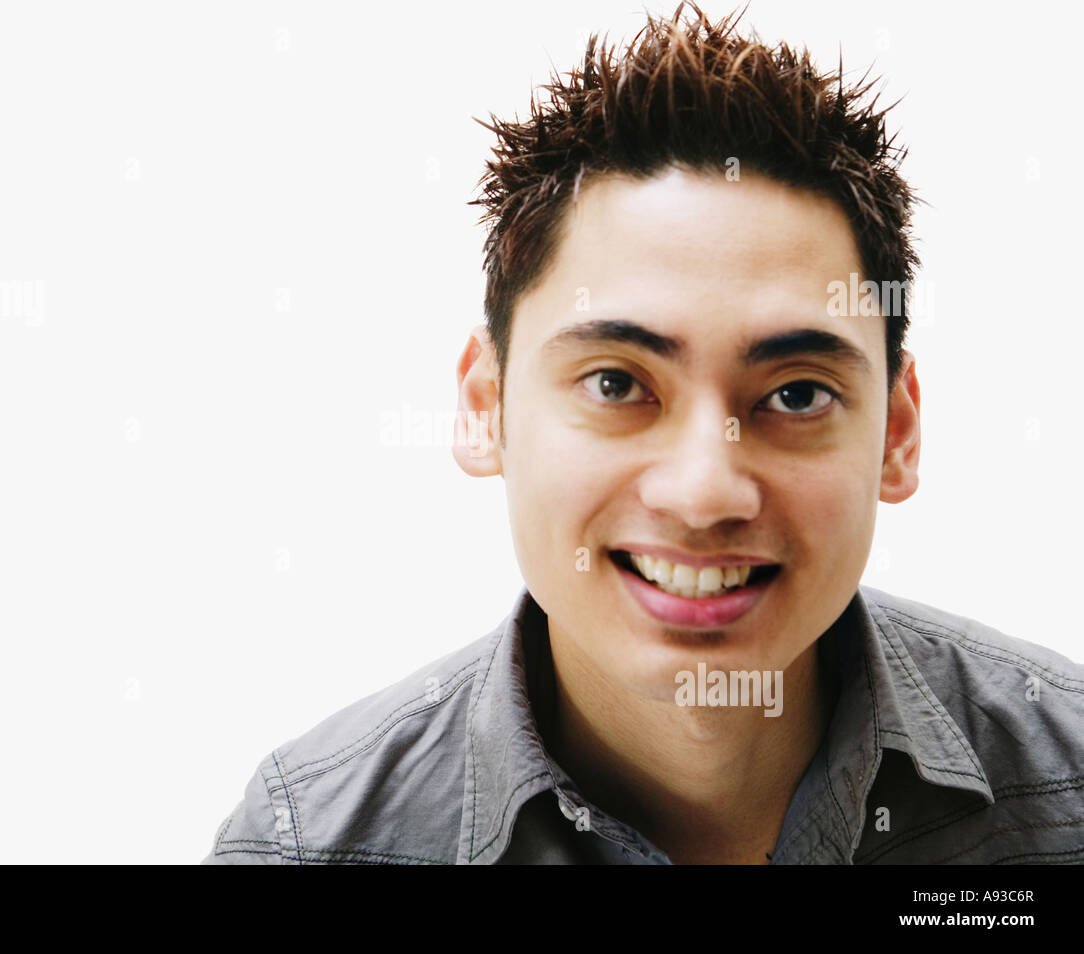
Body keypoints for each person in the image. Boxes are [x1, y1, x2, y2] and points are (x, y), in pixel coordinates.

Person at [203, 2, 1084, 864]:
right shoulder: (307, 846)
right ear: (486, 408)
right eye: (617, 383)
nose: (704, 492)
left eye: (798, 394)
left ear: (895, 431)